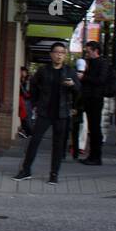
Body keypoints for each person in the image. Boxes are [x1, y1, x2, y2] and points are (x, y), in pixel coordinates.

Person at [12, 42, 78, 184]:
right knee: (34, 141)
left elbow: (79, 90)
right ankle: (26, 170)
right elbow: (34, 86)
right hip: (45, 112)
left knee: (58, 145)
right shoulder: (43, 70)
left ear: (64, 55)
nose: (59, 55)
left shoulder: (69, 71)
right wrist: (35, 103)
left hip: (61, 113)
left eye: (62, 52)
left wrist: (73, 85)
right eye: (57, 52)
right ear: (51, 54)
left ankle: (54, 174)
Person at [78, 40, 112, 165]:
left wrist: (84, 77)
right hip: (90, 98)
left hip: (96, 98)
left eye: (88, 51)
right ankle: (93, 155)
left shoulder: (102, 63)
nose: (87, 54)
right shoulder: (91, 63)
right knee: (93, 128)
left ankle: (96, 156)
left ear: (95, 51)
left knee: (95, 128)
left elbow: (100, 80)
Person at [16, 66, 32, 139]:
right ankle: (26, 131)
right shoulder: (21, 80)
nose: (23, 73)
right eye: (22, 71)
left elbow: (27, 92)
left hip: (26, 100)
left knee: (25, 116)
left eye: (24, 72)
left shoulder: (27, 80)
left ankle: (28, 132)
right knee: (23, 116)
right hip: (22, 99)